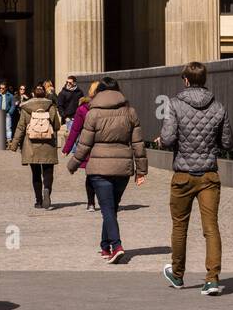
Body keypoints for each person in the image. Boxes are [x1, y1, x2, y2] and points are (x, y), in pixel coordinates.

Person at [159, 60, 233, 296]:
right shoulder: (218, 107)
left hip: (183, 174)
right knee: (211, 228)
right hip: (209, 175)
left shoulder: (174, 104)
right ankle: (212, 279)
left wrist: (162, 139)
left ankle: (178, 275)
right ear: (204, 80)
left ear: (186, 80)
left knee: (180, 226)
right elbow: (227, 142)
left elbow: (169, 138)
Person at [67, 76, 147, 263]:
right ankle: (105, 246)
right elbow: (138, 144)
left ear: (99, 93)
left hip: (99, 168)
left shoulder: (93, 114)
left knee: (107, 209)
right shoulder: (130, 112)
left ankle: (117, 245)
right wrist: (141, 170)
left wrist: (73, 163)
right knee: (111, 208)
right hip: (122, 168)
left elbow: (84, 144)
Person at [9, 83, 61, 209]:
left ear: (33, 94)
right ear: (45, 94)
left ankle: (38, 201)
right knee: (48, 172)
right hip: (48, 143)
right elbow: (57, 126)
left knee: (36, 173)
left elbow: (21, 127)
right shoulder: (51, 106)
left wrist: (14, 144)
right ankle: (47, 189)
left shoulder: (26, 108)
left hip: (31, 144)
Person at [62, 80, 100, 209]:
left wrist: (67, 148)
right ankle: (93, 202)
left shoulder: (83, 109)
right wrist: (67, 147)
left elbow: (75, 130)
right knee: (97, 175)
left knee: (91, 175)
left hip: (89, 146)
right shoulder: (83, 109)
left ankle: (91, 203)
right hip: (97, 146)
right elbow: (75, 129)